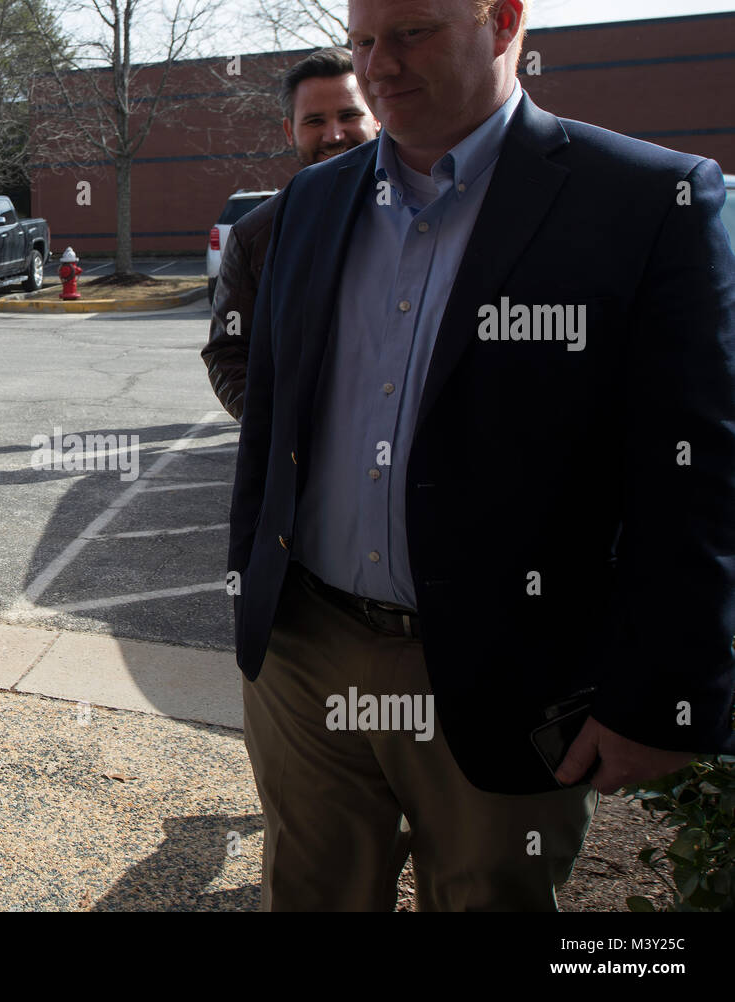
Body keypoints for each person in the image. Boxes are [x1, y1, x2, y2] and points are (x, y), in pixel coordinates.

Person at [229, 0, 735, 910]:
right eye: (363, 40)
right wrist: (255, 607)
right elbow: (269, 418)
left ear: (503, 23)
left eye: (411, 33)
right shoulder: (309, 202)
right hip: (307, 653)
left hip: (511, 669)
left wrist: (666, 695)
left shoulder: (648, 201)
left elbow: (695, 473)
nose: (379, 66)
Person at [203, 47, 379, 421]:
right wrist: (281, 431)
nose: (334, 134)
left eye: (349, 115)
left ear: (377, 117)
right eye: (314, 121)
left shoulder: (430, 210)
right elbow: (228, 351)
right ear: (290, 131)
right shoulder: (255, 234)